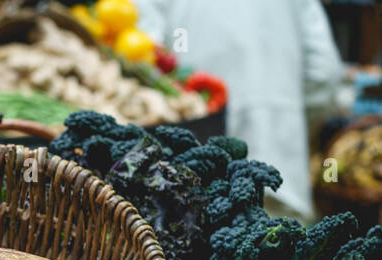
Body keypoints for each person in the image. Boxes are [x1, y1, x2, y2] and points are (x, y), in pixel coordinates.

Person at [135, 0, 344, 220]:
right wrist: (289, 127)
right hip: (282, 180)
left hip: (192, 195)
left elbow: (143, 60)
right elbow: (324, 75)